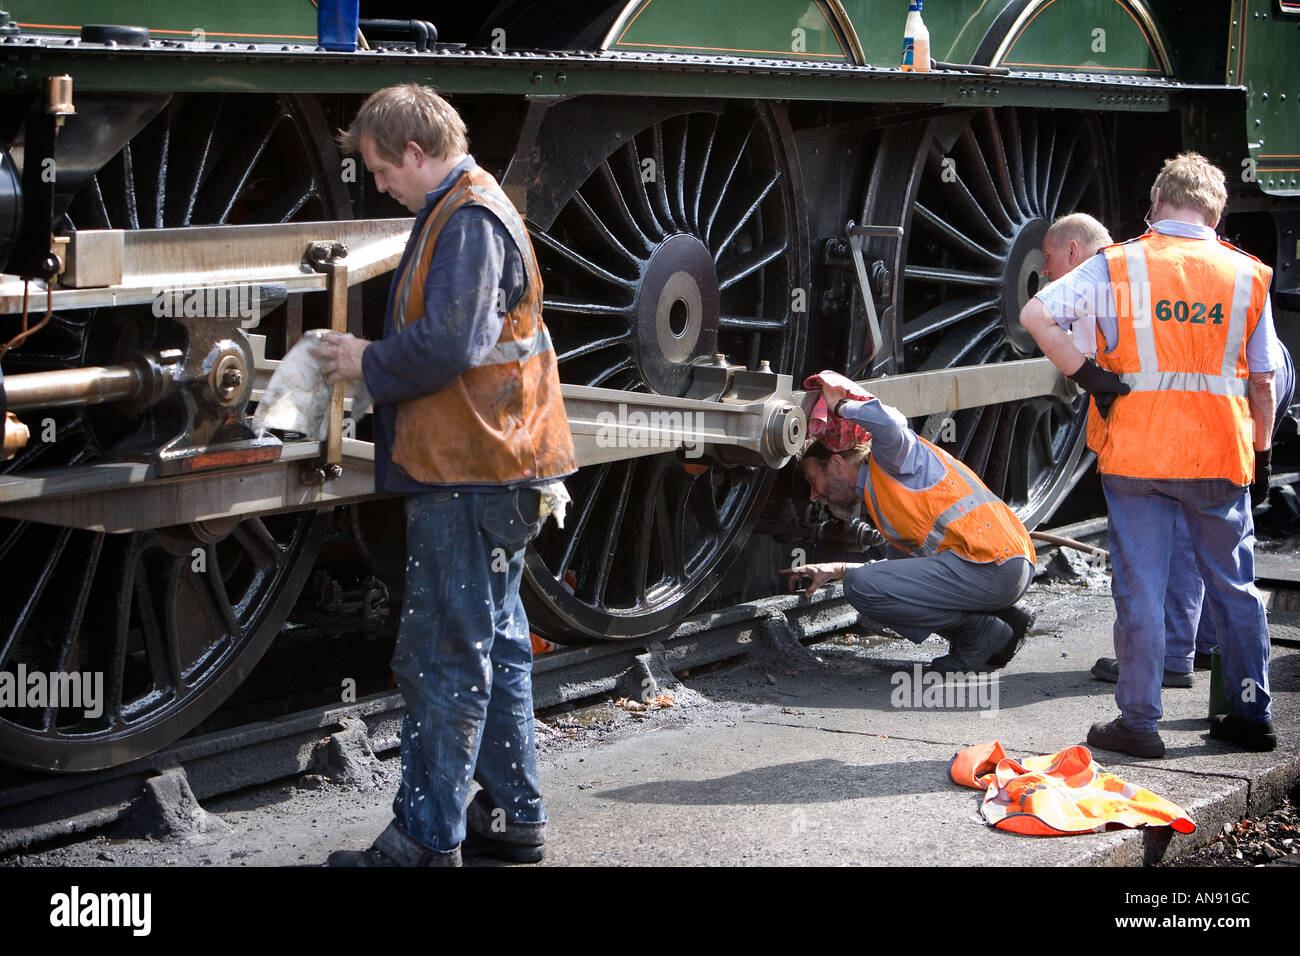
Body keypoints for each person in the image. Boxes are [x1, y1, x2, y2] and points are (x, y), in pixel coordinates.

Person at [315, 84, 577, 865]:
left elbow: (449, 346)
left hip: (471, 472)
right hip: (495, 465)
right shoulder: (471, 208)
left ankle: (426, 840)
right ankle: (512, 816)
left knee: (441, 656)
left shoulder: (465, 221)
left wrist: (368, 362)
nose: (380, 184)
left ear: (417, 152)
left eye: (381, 169)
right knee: (493, 647)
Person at [1021, 153, 1279, 757]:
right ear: (1216, 211)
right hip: (1218, 456)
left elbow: (1037, 314)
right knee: (1235, 588)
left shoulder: (1119, 263)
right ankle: (1250, 713)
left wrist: (1092, 377)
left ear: (1157, 203)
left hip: (1137, 454)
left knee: (1140, 588)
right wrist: (1260, 455)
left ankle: (1139, 724)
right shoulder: (1248, 275)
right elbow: (1263, 380)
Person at [784, 372, 1036, 674]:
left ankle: (978, 632)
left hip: (991, 566)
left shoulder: (891, 460)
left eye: (814, 480)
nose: (814, 495)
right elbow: (898, 580)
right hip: (1006, 566)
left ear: (837, 465)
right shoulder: (883, 499)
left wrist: (840, 408)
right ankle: (1003, 619)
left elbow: (890, 423)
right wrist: (835, 570)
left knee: (860, 588)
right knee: (866, 583)